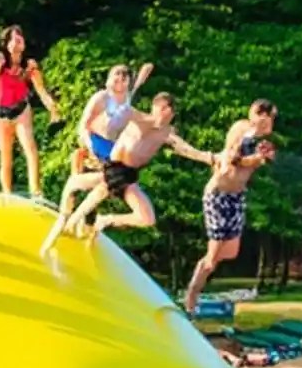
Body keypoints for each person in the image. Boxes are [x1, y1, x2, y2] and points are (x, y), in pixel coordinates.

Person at [41, 92, 213, 254]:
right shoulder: (137, 118)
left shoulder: (166, 133)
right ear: (160, 108)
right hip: (113, 167)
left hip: (129, 176)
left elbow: (185, 149)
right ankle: (65, 226)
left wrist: (208, 158)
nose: (169, 116)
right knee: (89, 191)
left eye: (170, 113)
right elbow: (115, 114)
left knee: (147, 218)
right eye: (167, 111)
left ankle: (105, 220)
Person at [182, 99, 278, 315]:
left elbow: (257, 162)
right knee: (212, 257)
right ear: (259, 114)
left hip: (236, 197)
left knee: (232, 251)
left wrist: (265, 158)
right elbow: (234, 159)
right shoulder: (242, 129)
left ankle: (203, 269)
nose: (272, 122)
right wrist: (256, 157)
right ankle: (191, 297)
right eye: (270, 117)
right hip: (218, 195)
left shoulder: (261, 141)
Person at [0, 25, 61, 199]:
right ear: (7, 43)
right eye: (13, 38)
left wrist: (53, 110)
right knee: (6, 157)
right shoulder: (0, 61)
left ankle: (36, 191)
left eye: (20, 37)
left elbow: (41, 91)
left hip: (21, 111)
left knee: (30, 149)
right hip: (0, 114)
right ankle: (7, 194)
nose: (18, 41)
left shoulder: (29, 65)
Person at [70, 62, 154, 175]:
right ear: (108, 81)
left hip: (111, 145)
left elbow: (141, 78)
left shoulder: (126, 99)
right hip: (96, 141)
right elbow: (83, 125)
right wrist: (90, 146)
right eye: (117, 74)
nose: (120, 77)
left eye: (124, 76)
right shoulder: (101, 97)